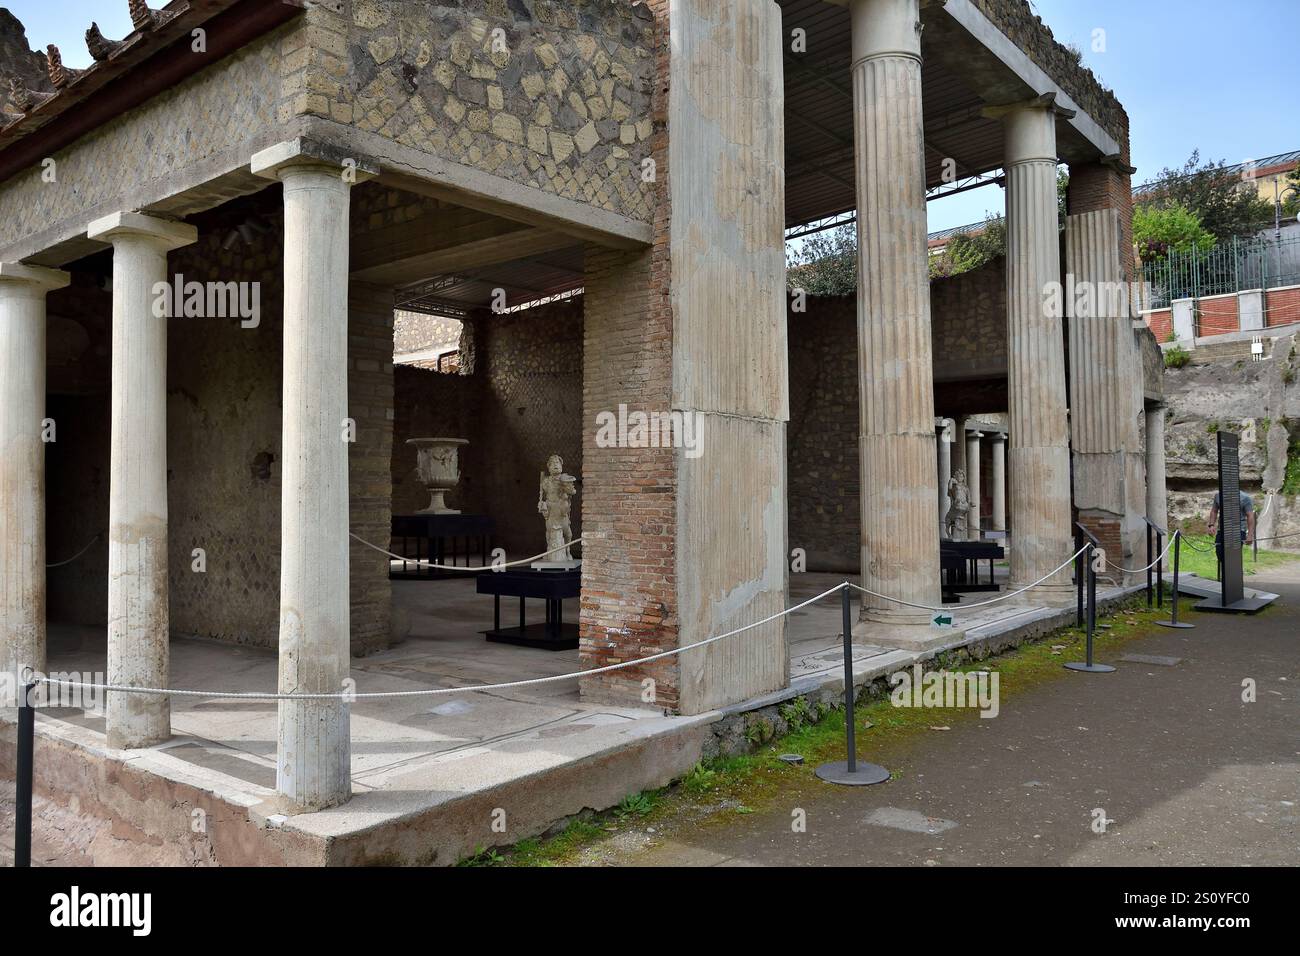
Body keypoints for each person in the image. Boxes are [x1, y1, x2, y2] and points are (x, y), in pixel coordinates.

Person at [1207, 489, 1255, 568]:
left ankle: (1233, 574)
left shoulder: (1244, 498)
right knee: (1219, 552)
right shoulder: (1218, 496)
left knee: (1234, 554)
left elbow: (1250, 515)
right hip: (1222, 529)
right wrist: (1211, 525)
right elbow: (1214, 511)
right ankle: (1226, 574)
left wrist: (1250, 535)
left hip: (1238, 530)